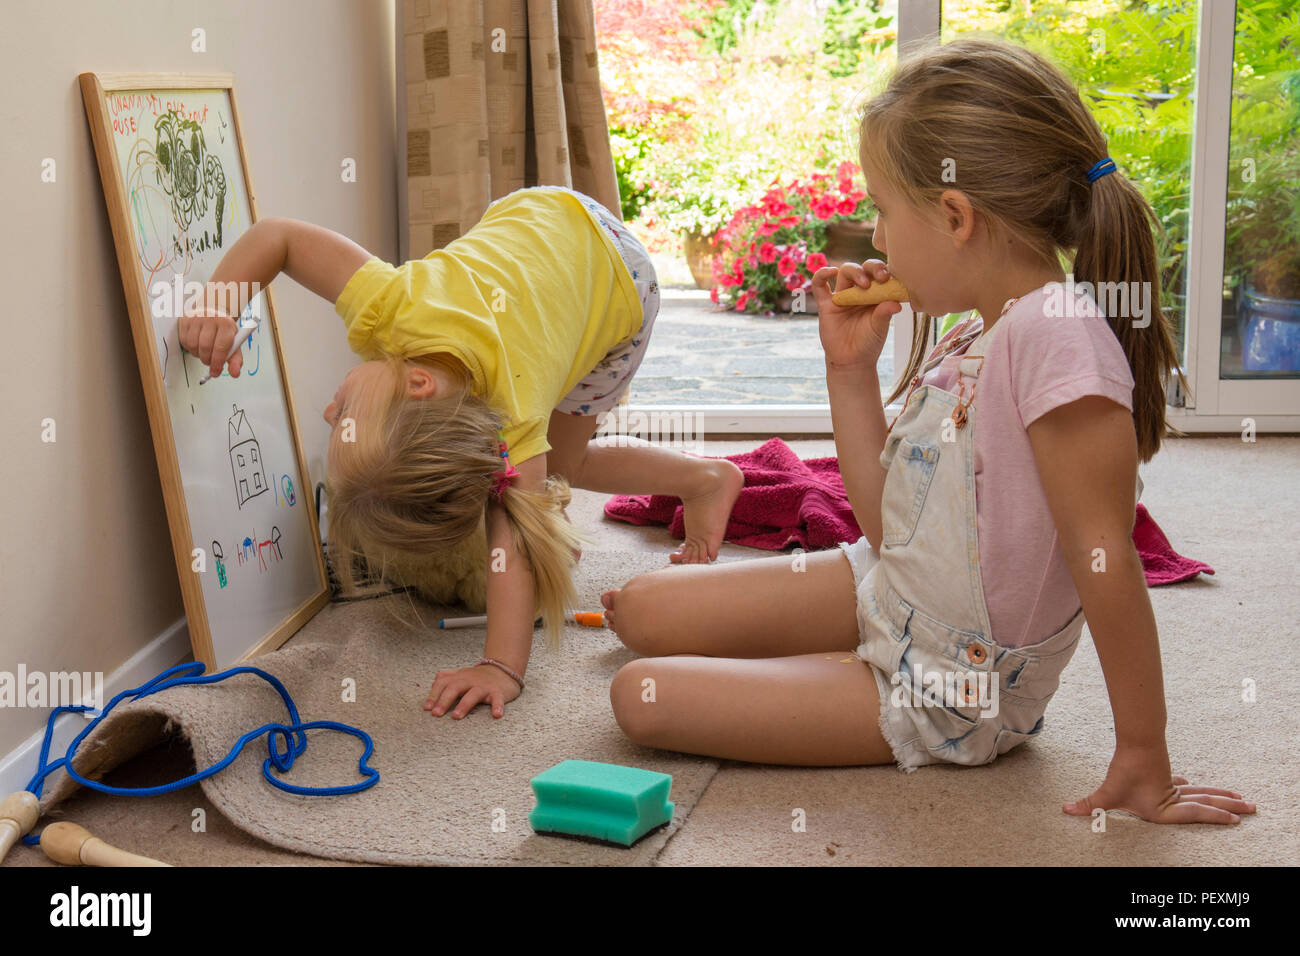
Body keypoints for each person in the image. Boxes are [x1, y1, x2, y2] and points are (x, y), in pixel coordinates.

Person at [600, 39, 1254, 825]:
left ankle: (834, 682)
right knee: (641, 609)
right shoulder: (975, 332)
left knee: (640, 695)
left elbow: (1106, 560)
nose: (877, 239)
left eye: (882, 208)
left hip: (949, 682)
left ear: (954, 216)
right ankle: (814, 672)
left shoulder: (1055, 333)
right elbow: (889, 532)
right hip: (888, 586)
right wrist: (849, 373)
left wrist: (1144, 753)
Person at [179, 186, 743, 721]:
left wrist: (502, 666)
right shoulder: (433, 343)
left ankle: (701, 480)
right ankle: (705, 478)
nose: (330, 413)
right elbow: (276, 237)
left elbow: (279, 236)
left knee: (558, 476)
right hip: (544, 230)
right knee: (559, 474)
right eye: (344, 422)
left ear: (421, 384)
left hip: (621, 285)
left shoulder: (403, 312)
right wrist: (219, 304)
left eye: (340, 423)